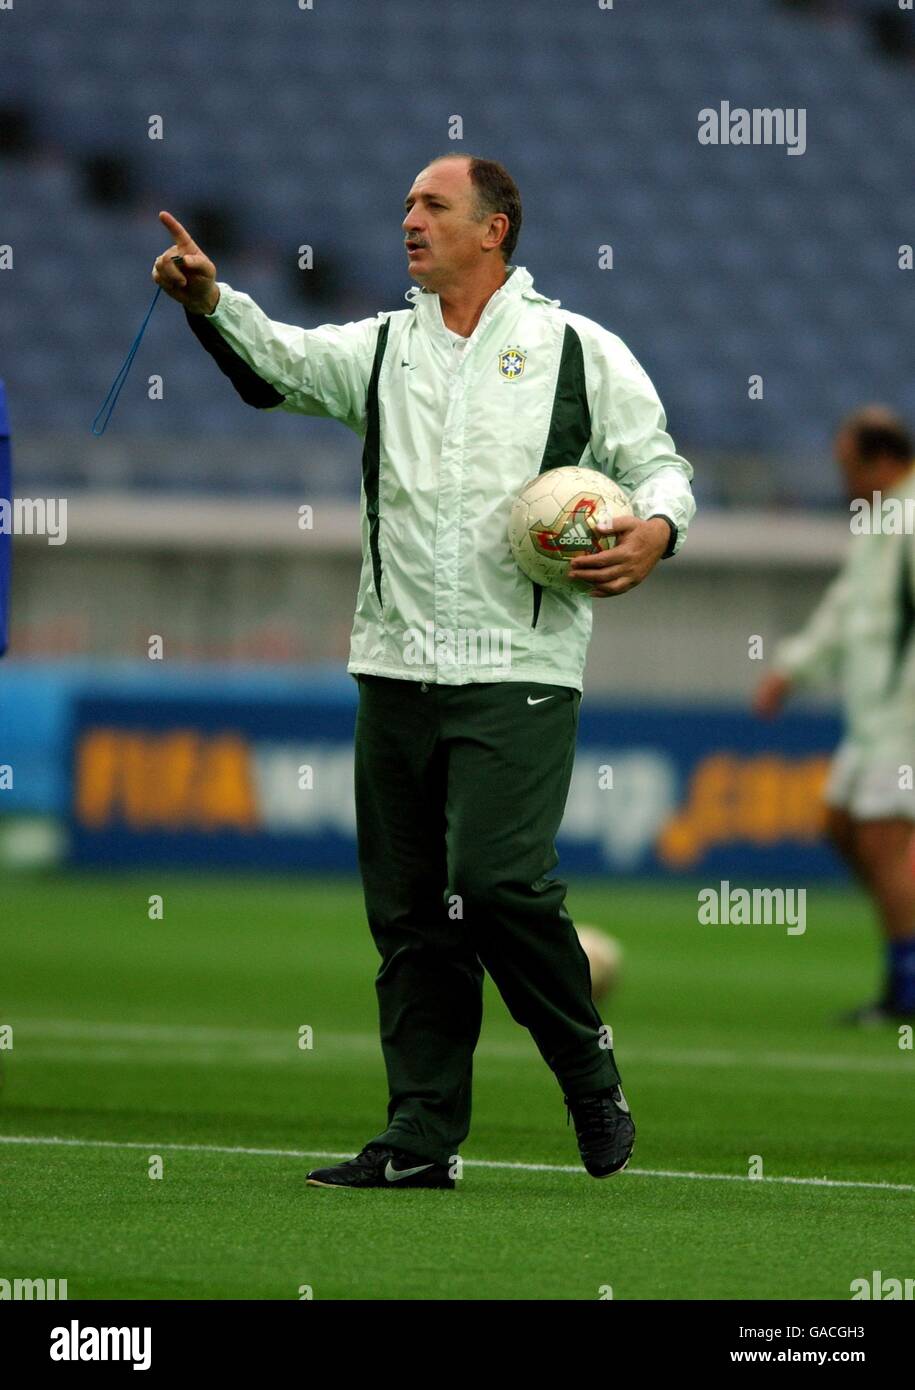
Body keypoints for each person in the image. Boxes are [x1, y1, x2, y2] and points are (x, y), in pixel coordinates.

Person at [153, 153, 696, 1188]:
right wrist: (211, 300)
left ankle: (586, 1069)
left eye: (432, 205)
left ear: (492, 230)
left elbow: (659, 461)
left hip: (520, 666)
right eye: (404, 202)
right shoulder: (385, 345)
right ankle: (419, 1139)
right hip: (393, 665)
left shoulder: (577, 348)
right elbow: (283, 364)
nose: (408, 218)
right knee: (411, 919)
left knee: (493, 884)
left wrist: (658, 529)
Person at [754, 406, 915, 1023]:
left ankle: (907, 990)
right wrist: (791, 669)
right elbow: (847, 609)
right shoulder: (883, 521)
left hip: (904, 717)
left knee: (882, 842)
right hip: (874, 718)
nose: (844, 482)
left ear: (882, 461)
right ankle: (906, 958)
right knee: (841, 826)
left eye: (849, 468)